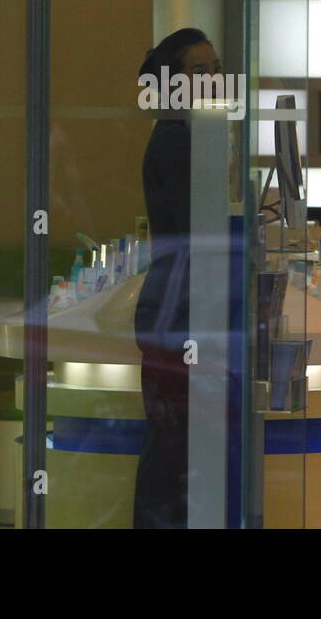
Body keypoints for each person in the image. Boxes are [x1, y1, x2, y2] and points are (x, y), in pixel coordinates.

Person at [131, 27, 220, 529]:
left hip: (182, 309)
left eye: (216, 69)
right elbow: (197, 232)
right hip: (175, 312)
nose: (212, 79)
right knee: (170, 449)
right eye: (200, 71)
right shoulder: (174, 138)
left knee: (179, 448)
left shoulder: (194, 135)